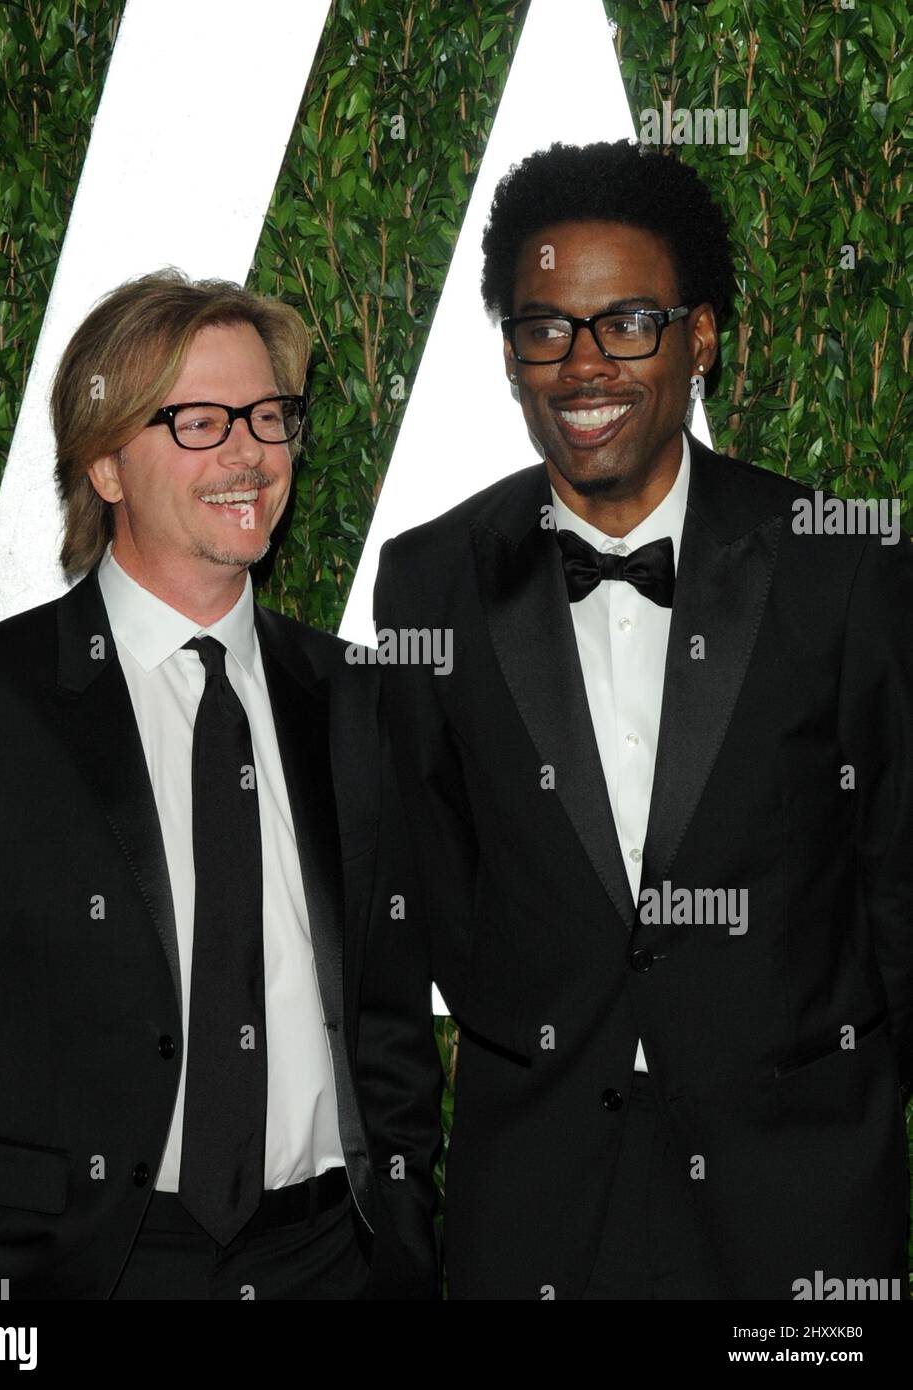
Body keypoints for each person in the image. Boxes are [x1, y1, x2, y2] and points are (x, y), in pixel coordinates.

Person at [373, 140, 913, 1300]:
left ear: (698, 339)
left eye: (626, 323)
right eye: (543, 328)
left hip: (799, 1206)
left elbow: (898, 881)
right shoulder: (429, 583)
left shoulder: (841, 562)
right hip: (535, 1203)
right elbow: (420, 893)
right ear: (510, 354)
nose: (582, 366)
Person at [0, 270, 441, 1300]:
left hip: (329, 1264)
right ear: (102, 463)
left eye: (268, 415)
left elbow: (388, 1018)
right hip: (78, 1272)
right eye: (199, 421)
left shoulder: (357, 698)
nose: (249, 453)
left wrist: (398, 1231)